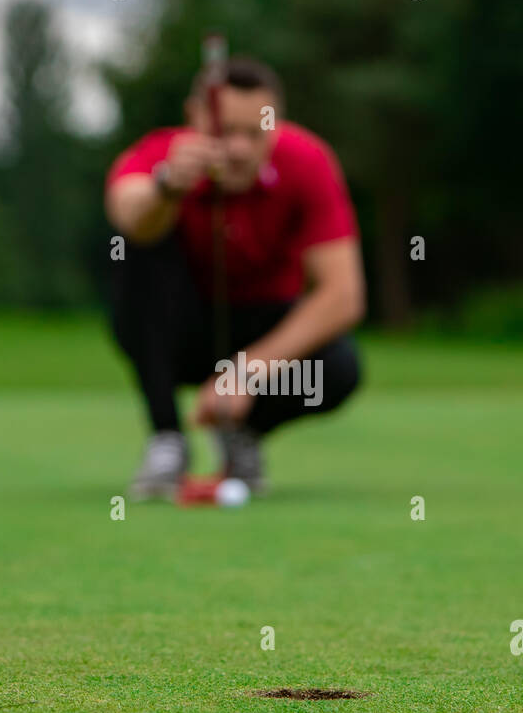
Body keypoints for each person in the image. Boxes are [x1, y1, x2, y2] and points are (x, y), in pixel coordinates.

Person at [105, 56, 365, 499]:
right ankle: (167, 440)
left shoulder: (308, 161)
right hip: (181, 333)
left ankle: (243, 433)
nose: (241, 149)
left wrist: (247, 372)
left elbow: (344, 295)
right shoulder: (162, 155)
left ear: (277, 124)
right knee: (135, 247)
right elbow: (126, 214)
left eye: (256, 133)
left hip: (263, 332)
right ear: (195, 119)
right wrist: (167, 187)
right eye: (227, 133)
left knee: (337, 369)